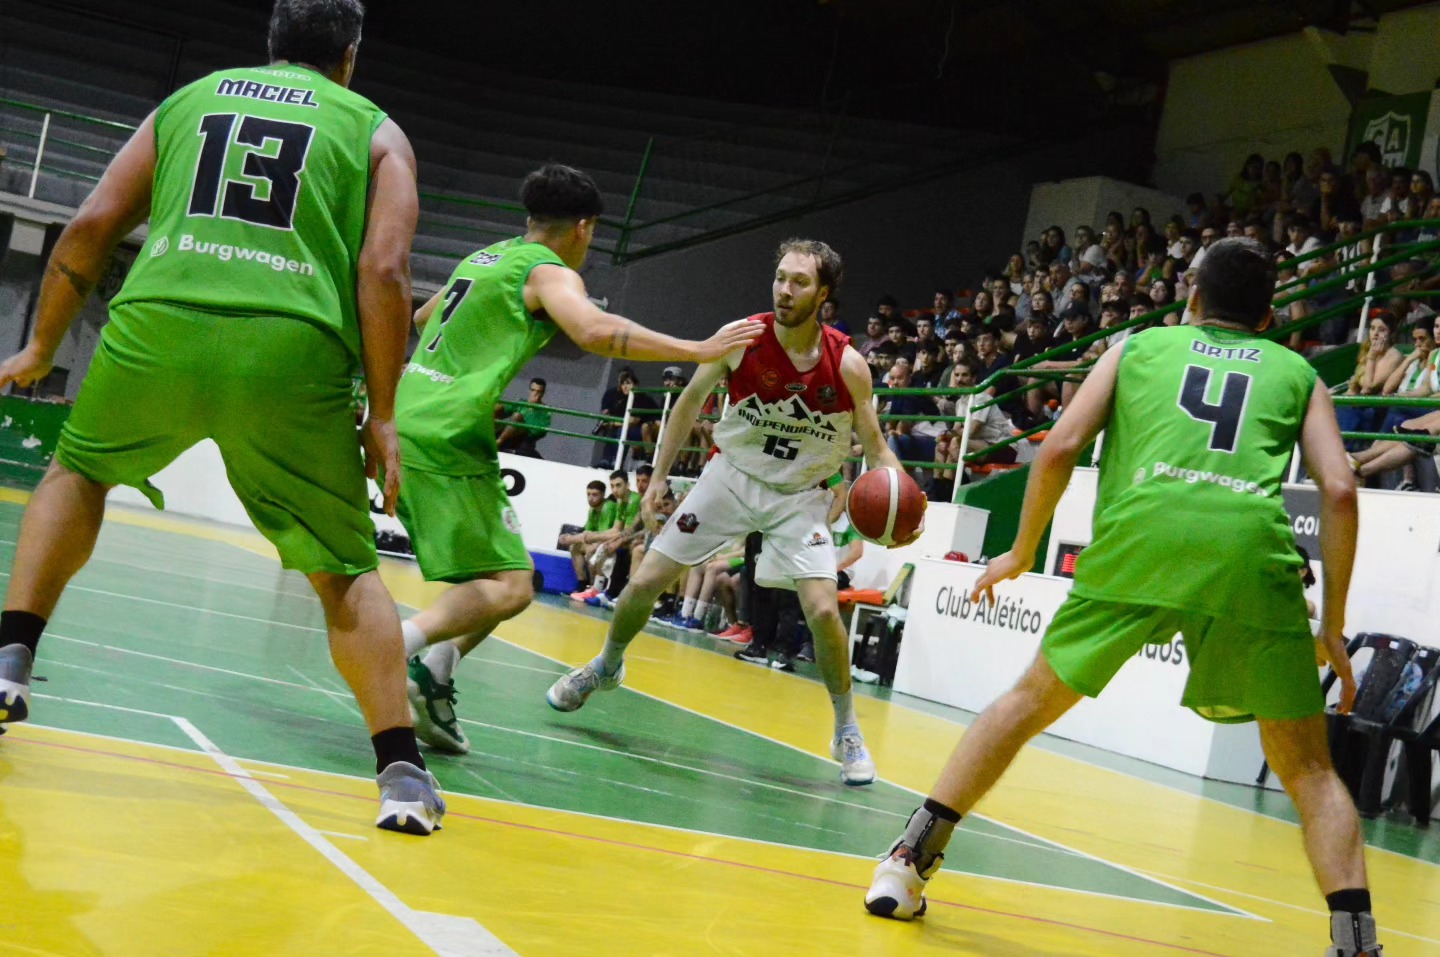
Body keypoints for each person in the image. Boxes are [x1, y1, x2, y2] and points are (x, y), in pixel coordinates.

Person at [0, 0, 448, 834]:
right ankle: (400, 774)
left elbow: (92, 224)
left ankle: (10, 657)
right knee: (344, 571)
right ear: (350, 55)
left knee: (79, 472)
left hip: (159, 322)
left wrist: (39, 347)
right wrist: (385, 412)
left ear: (270, 43)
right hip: (291, 349)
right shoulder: (377, 131)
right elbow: (385, 269)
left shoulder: (189, 100)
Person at [864, 239, 1381, 957]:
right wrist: (1334, 625)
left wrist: (1021, 550)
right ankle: (1356, 942)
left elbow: (1058, 446)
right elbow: (1340, 490)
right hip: (1249, 554)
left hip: (1141, 538)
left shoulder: (1137, 347)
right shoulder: (1298, 371)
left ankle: (907, 861)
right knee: (1311, 770)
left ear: (1191, 298)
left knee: (1026, 703)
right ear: (1268, 317)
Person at [391, 164, 760, 754]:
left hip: (412, 415)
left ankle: (434, 674)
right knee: (514, 588)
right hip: (447, 430)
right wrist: (697, 348)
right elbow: (591, 330)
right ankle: (394, 647)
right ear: (585, 227)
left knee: (503, 572)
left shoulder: (485, 258)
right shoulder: (547, 271)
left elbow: (420, 317)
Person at [545, 238, 921, 786]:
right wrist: (659, 475)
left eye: (799, 282)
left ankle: (846, 729)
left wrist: (906, 500)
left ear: (824, 295)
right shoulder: (742, 338)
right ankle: (606, 665)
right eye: (781, 277)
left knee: (822, 610)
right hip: (731, 478)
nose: (784, 290)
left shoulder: (848, 365)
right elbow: (689, 402)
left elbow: (876, 445)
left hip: (801, 496)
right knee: (645, 581)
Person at [559, 480, 612, 591]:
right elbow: (587, 533)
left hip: (610, 541)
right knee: (575, 547)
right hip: (597, 540)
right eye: (588, 494)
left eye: (595, 495)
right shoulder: (592, 509)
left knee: (590, 550)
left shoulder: (608, 507)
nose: (590, 498)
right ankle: (582, 584)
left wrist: (572, 538)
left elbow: (603, 535)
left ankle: (593, 587)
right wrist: (570, 538)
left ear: (603, 495)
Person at [495, 377, 550, 456]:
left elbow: (539, 432)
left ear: (543, 393)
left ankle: (498, 442)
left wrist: (532, 409)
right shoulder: (522, 403)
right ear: (529, 390)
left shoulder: (545, 411)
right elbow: (504, 409)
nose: (535, 394)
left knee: (517, 416)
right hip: (509, 436)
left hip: (525, 439)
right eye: (533, 390)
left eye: (539, 392)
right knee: (497, 407)